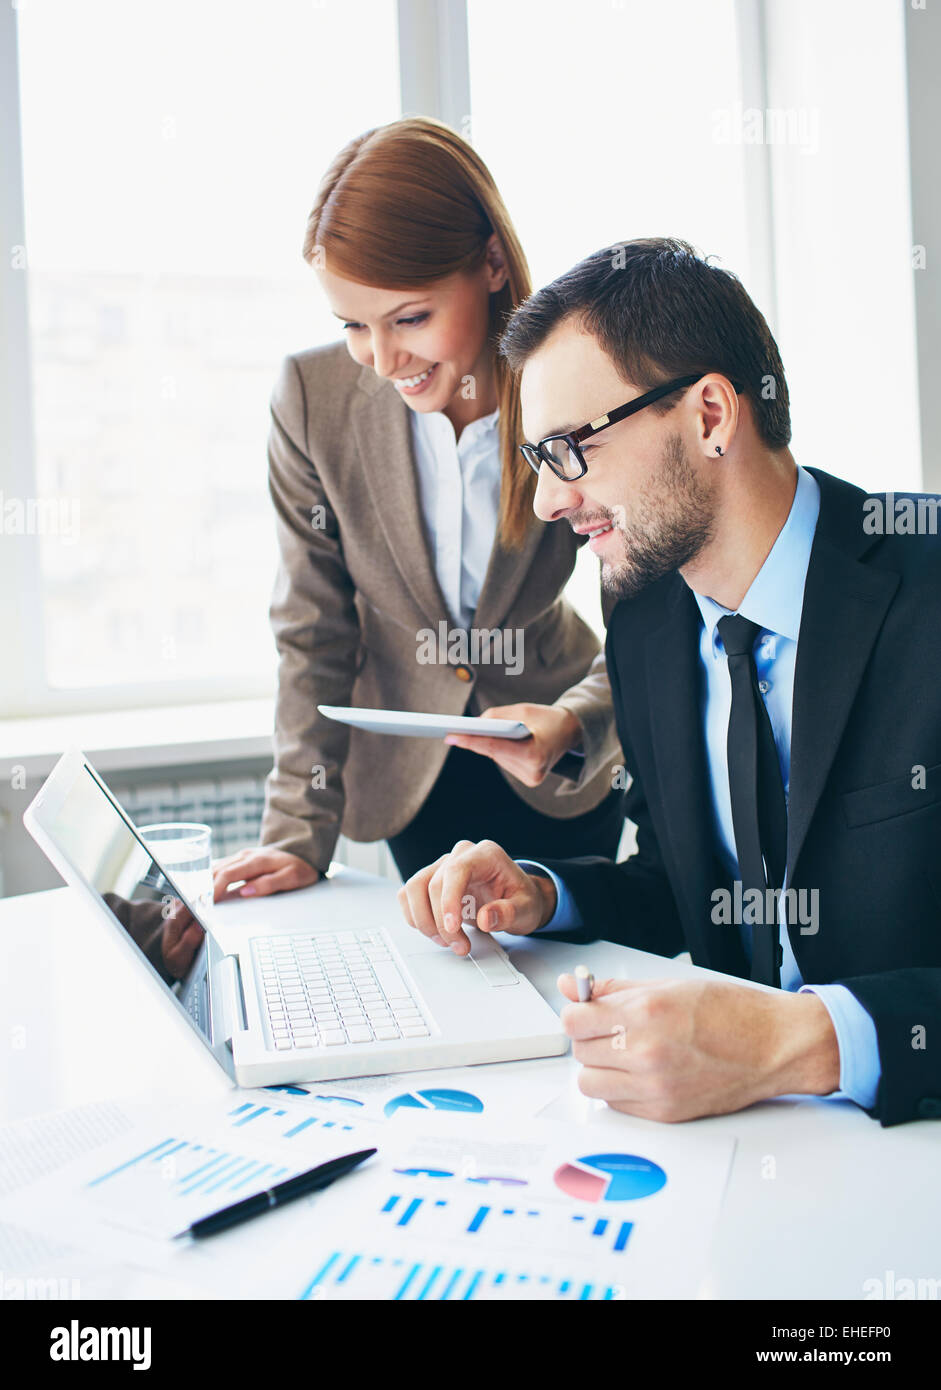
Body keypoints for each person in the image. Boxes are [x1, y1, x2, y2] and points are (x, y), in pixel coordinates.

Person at [398, 236, 941, 1128]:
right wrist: (544, 893)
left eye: (570, 449)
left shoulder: (920, 586)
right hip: (740, 1156)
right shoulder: (648, 618)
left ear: (711, 416)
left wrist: (796, 1044)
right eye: (539, 460)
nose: (546, 503)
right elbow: (685, 882)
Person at [212, 118, 624, 905]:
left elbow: (649, 608)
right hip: (410, 774)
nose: (381, 357)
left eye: (409, 318)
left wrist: (579, 722)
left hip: (558, 758)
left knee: (566, 993)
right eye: (351, 325)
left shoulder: (572, 383)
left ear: (492, 265)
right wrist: (295, 832)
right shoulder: (311, 400)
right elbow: (313, 630)